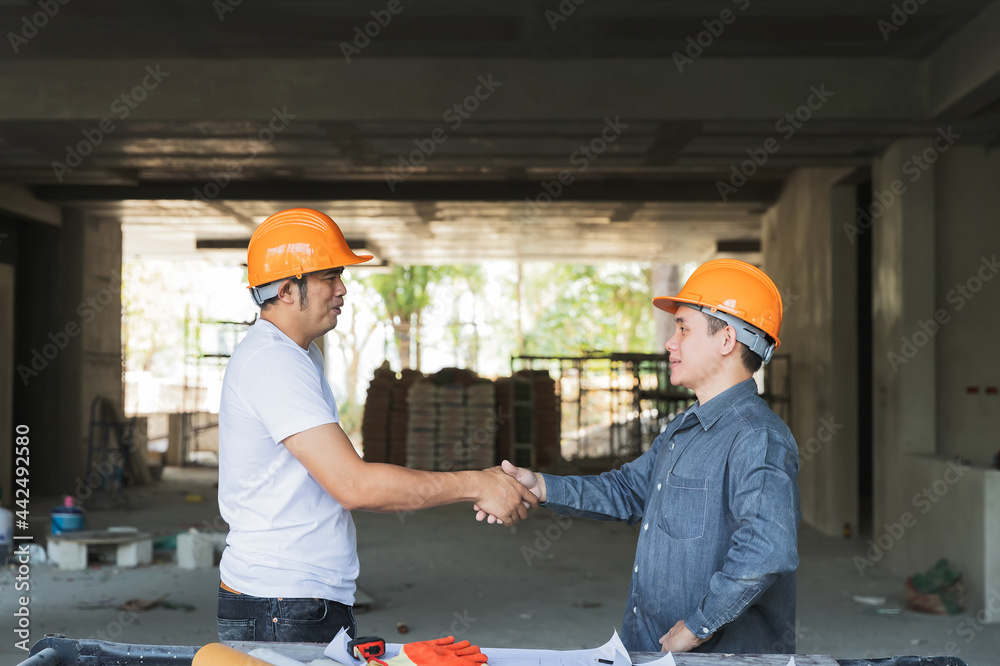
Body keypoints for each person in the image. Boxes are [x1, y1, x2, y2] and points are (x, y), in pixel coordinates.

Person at [217, 208, 537, 643]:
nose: (342, 288)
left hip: (294, 600)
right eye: (330, 277)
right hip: (280, 604)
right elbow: (355, 485)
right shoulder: (273, 361)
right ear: (289, 289)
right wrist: (476, 484)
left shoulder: (297, 354)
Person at [485, 259, 801, 654]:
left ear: (726, 341)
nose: (671, 342)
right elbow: (629, 490)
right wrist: (543, 486)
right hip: (652, 647)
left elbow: (766, 548)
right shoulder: (685, 426)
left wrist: (699, 625)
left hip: (718, 658)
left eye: (683, 328)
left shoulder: (758, 436)